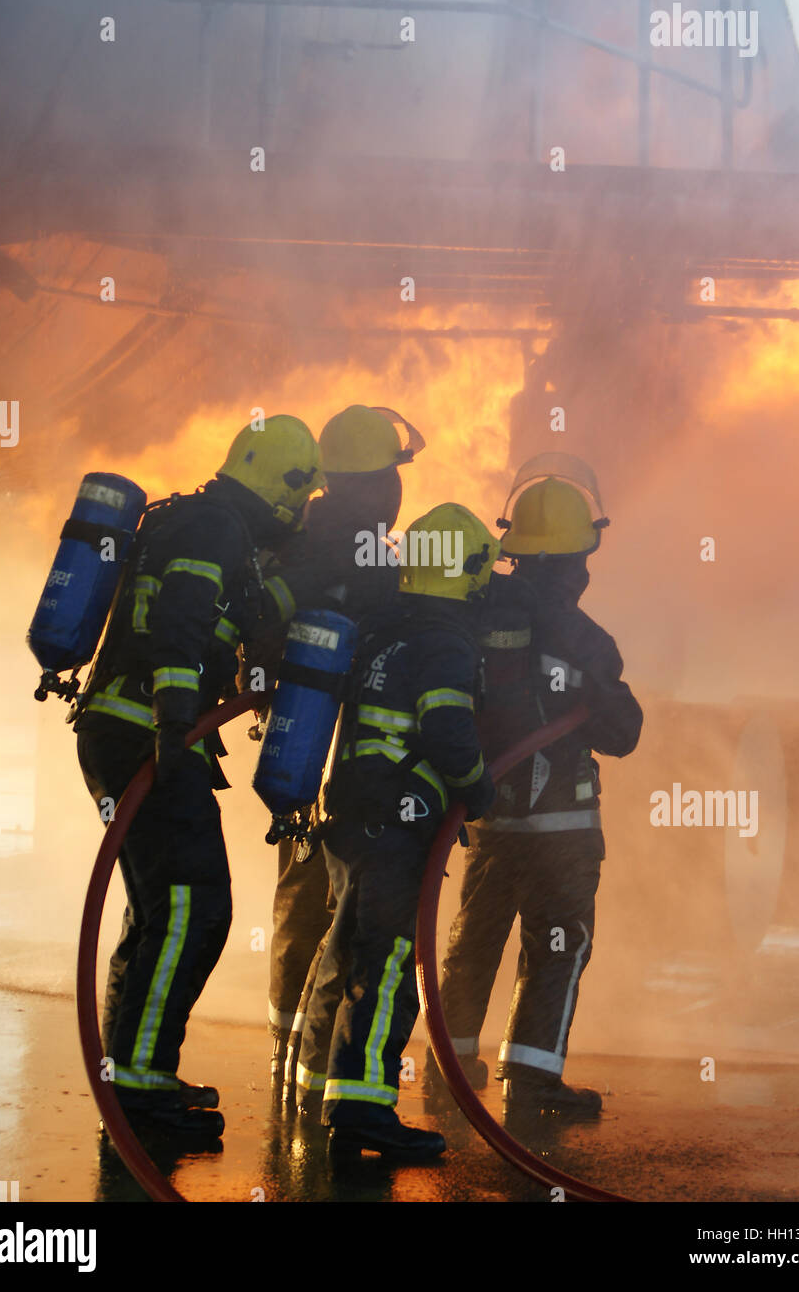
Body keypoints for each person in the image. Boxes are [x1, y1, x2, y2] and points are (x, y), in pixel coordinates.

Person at [76, 415, 322, 1138]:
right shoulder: (214, 530)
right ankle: (143, 1086)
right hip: (142, 735)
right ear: (285, 489)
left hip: (124, 732)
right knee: (193, 907)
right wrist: (172, 729)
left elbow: (226, 617)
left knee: (160, 907)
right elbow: (181, 627)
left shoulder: (205, 523)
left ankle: (131, 1073)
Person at [423, 458, 643, 1124]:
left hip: (484, 812)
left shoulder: (474, 612)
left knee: (473, 941)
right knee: (556, 943)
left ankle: (448, 1073)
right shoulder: (585, 639)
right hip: (561, 827)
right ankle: (533, 1081)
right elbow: (622, 732)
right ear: (580, 558)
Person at [295, 503, 499, 1160]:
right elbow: (445, 730)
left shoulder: (380, 628)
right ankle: (361, 1113)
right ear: (466, 570)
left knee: (343, 951)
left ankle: (316, 1088)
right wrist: (476, 788)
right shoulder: (446, 639)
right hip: (398, 820)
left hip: (349, 810)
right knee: (384, 966)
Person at [264, 405, 425, 1087]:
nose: (396, 487)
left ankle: (287, 1043)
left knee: (299, 887)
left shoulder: (301, 533)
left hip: (298, 740)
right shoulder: (368, 557)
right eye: (390, 472)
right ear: (371, 482)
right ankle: (316, 1057)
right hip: (349, 751)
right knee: (340, 896)